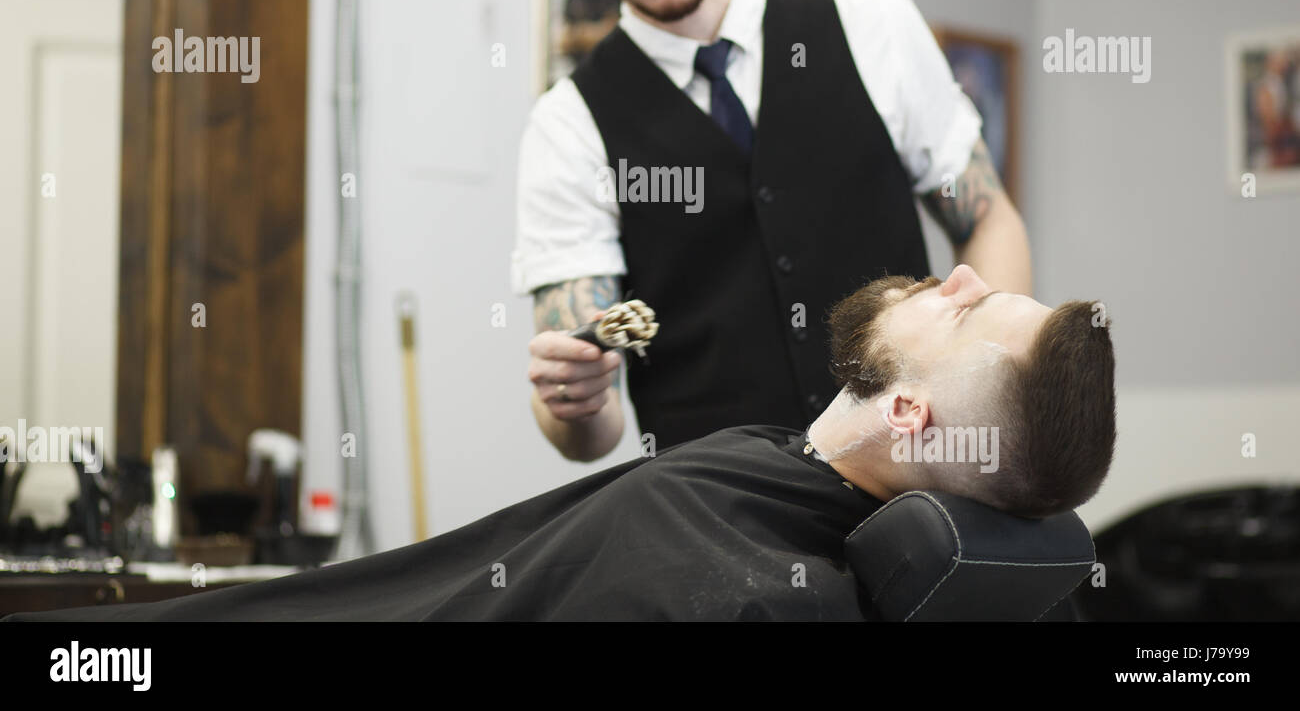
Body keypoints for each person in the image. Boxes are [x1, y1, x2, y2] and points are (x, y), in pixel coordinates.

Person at [2, 266, 1115, 622]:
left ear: (913, 413)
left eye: (969, 309)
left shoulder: (741, 585)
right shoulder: (785, 488)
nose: (957, 270)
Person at [515, 0, 1033, 462]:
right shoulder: (569, 127)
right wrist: (572, 401)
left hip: (914, 483)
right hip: (713, 523)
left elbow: (987, 216)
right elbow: (590, 435)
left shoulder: (870, 24)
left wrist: (980, 383)